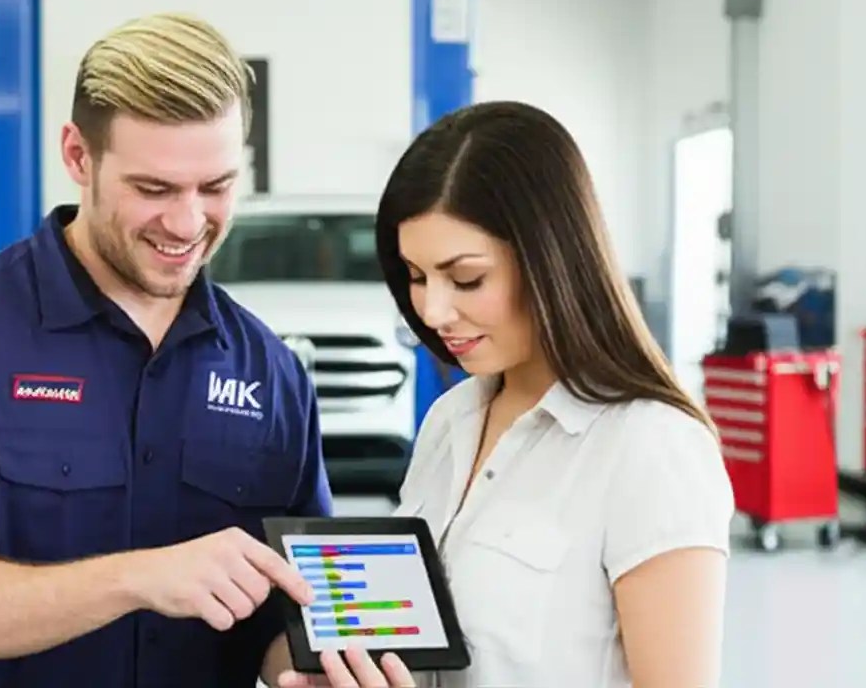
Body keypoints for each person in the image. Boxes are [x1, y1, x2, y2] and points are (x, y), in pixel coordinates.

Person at [0, 12, 332, 688]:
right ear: (77, 156)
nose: (188, 223)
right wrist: (140, 577)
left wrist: (304, 671)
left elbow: (289, 618)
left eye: (215, 187)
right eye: (153, 189)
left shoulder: (270, 372)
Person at [276, 101, 735, 688]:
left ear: (552, 259)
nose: (433, 311)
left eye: (466, 278)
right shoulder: (451, 421)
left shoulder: (652, 446)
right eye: (416, 277)